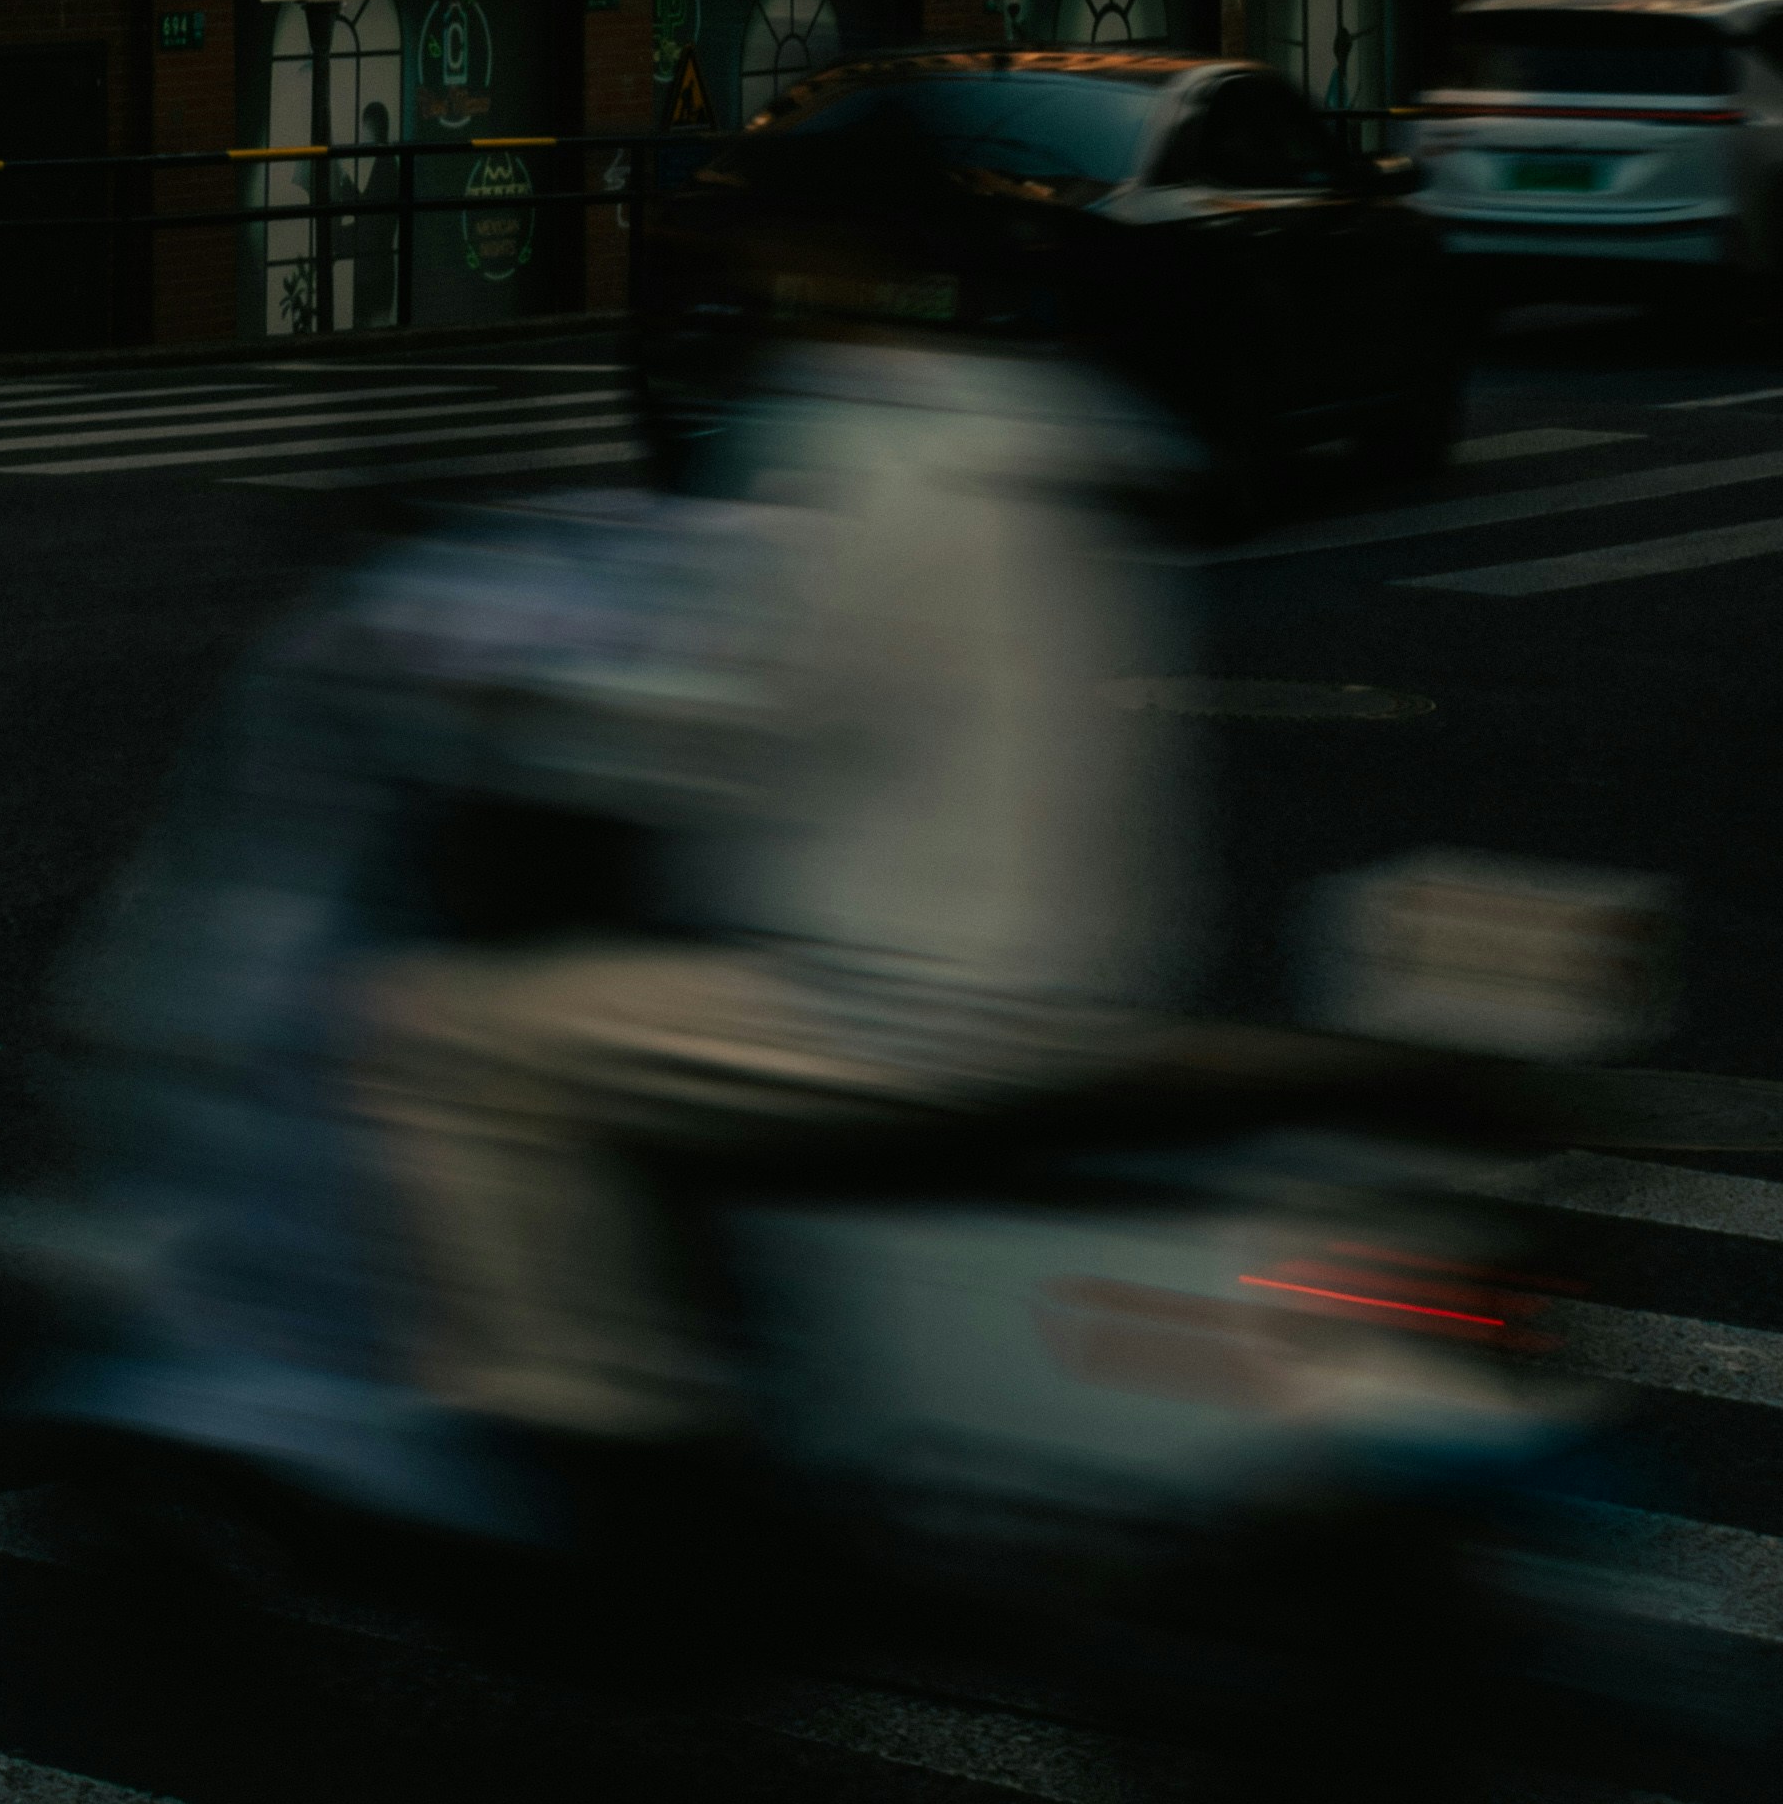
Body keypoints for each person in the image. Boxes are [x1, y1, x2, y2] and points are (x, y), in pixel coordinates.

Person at [357, 333, 1194, 1456]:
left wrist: (522, 704)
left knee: (440, 1034)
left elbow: (743, 708)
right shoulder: (1049, 447)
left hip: (893, 999)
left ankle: (595, 1435)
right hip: (1079, 974)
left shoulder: (868, 447)